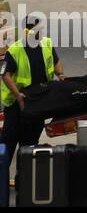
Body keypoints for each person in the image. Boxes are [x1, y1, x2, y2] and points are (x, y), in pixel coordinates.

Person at [1, 16, 64, 200]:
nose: (40, 33)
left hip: (38, 103)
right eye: (37, 30)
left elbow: (56, 60)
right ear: (27, 31)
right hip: (15, 103)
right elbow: (6, 75)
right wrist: (18, 96)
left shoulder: (46, 44)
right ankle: (1, 178)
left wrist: (61, 74)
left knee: (29, 144)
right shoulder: (15, 50)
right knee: (9, 141)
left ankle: (24, 182)